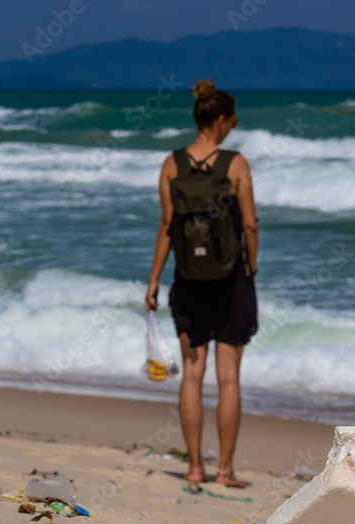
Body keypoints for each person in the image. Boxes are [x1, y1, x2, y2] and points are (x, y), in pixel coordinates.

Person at [144, 79, 258, 488]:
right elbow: (249, 224)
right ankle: (225, 471)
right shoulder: (236, 164)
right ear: (222, 120)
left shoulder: (172, 164)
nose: (231, 129)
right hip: (231, 280)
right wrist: (252, 268)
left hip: (188, 279)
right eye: (232, 122)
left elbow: (167, 225)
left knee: (192, 375)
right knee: (228, 379)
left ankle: (194, 468)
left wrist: (154, 279)